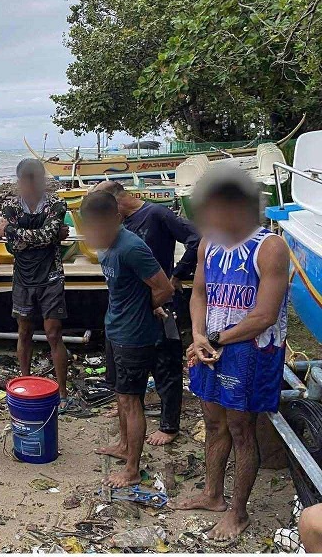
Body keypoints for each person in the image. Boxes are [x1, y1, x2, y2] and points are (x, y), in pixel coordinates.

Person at [173, 167, 289, 540]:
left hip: (250, 351)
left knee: (241, 429)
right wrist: (197, 334)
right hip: (211, 344)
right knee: (212, 422)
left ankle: (238, 513)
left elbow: (264, 316)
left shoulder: (269, 246)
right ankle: (212, 495)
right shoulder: (209, 242)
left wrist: (213, 340)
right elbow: (199, 294)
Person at [93, 181, 200, 445]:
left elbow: (197, 238)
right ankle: (127, 407)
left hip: (161, 301)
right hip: (130, 308)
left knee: (165, 364)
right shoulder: (119, 228)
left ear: (116, 203)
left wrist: (177, 274)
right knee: (127, 367)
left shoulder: (156, 214)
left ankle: (169, 425)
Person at [81, 191, 174, 488]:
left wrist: (146, 309)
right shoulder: (105, 246)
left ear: (116, 219)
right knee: (121, 395)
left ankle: (132, 469)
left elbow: (164, 288)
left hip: (134, 336)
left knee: (132, 401)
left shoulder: (131, 247)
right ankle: (123, 446)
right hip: (115, 329)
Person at [0, 159, 71, 406]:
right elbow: (12, 247)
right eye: (25, 178)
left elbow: (48, 235)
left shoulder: (56, 203)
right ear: (19, 180)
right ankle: (24, 382)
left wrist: (11, 230)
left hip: (51, 275)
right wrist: (44, 237)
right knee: (24, 331)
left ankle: (62, 392)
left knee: (53, 333)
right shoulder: (10, 207)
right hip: (22, 277)